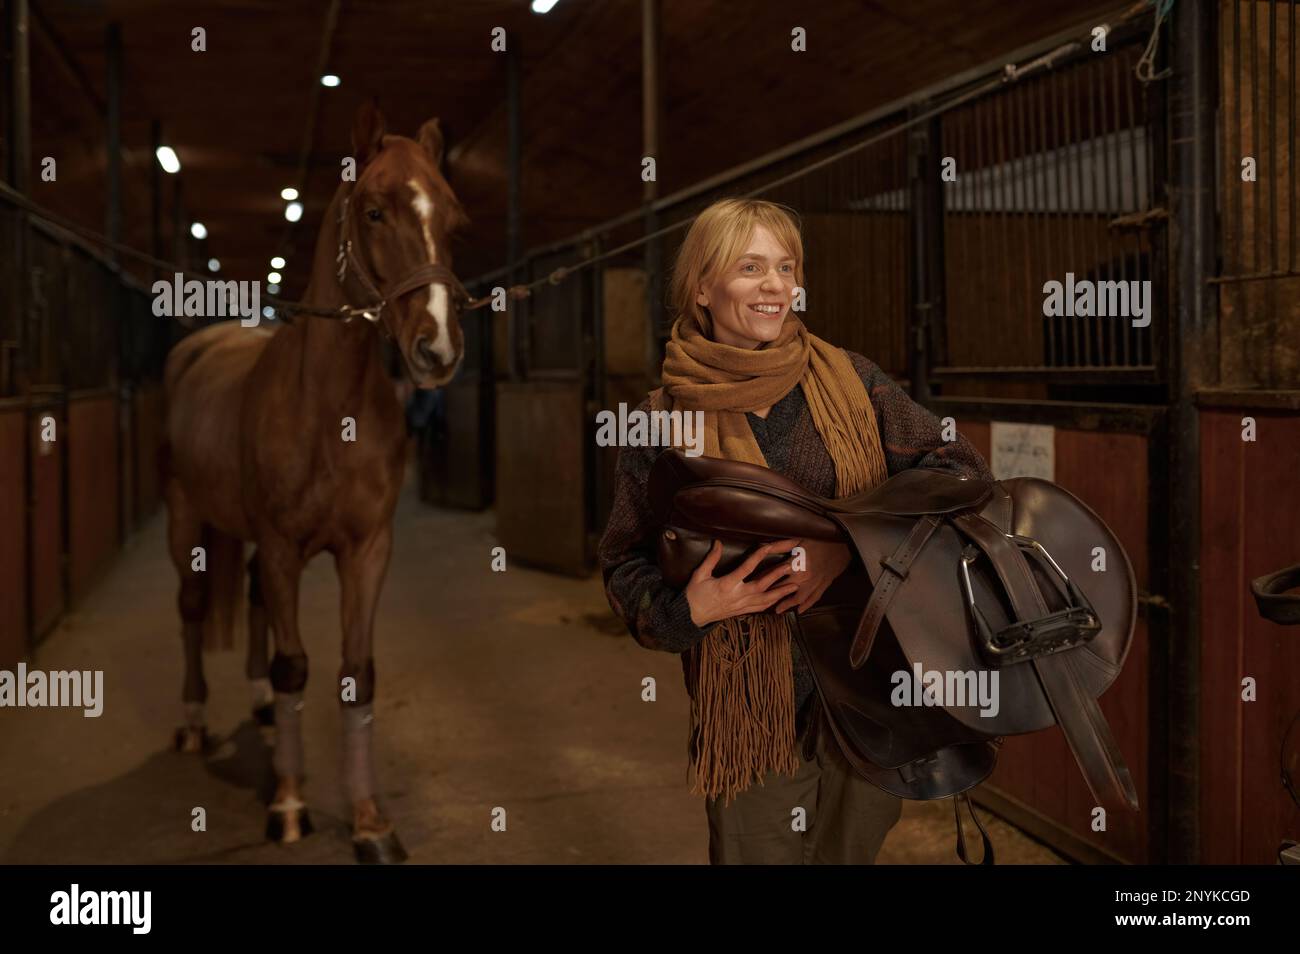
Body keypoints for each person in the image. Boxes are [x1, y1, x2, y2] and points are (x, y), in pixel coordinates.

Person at [598, 197, 993, 865]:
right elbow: (621, 563)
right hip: (750, 712)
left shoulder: (854, 382)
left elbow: (959, 472)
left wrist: (845, 547)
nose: (775, 285)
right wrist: (690, 609)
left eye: (786, 266)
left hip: (871, 690)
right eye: (750, 266)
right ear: (703, 286)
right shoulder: (659, 421)